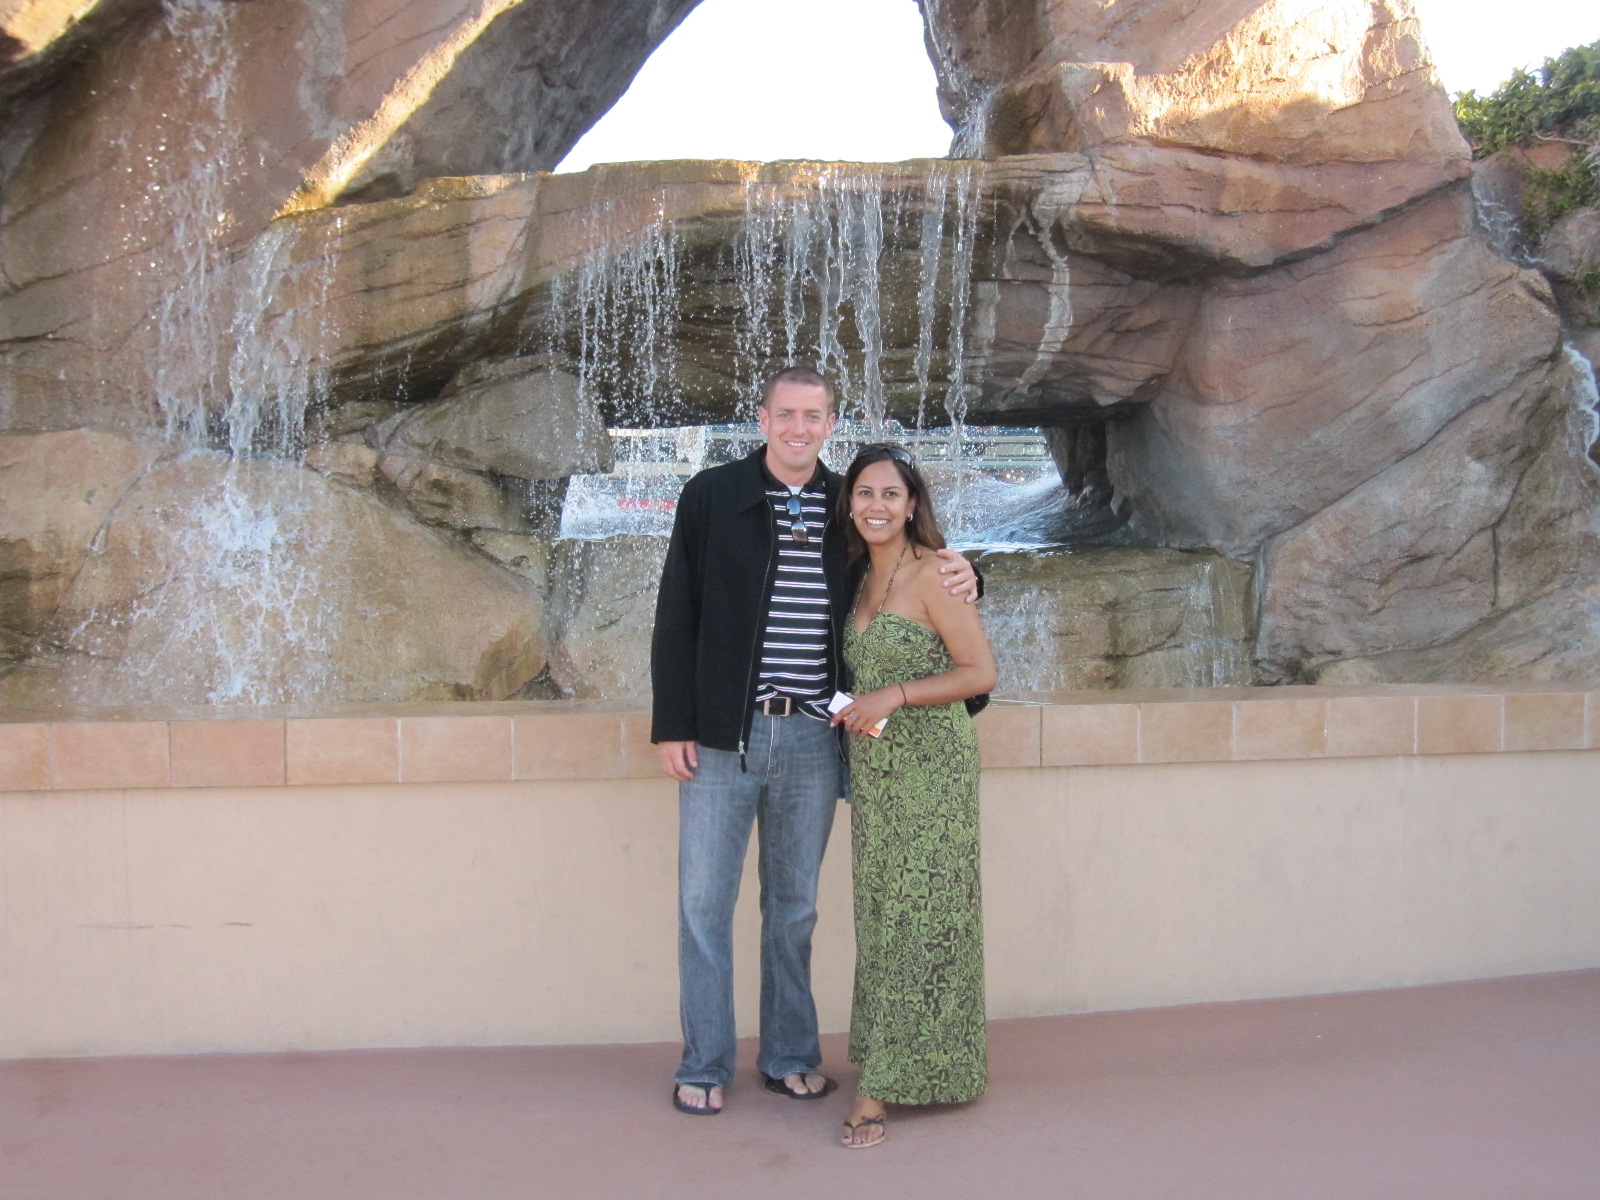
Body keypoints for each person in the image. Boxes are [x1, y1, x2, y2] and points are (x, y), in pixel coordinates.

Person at [651, 367, 980, 1116]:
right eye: (787, 414)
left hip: (811, 738)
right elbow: (678, 609)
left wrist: (972, 572)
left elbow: (907, 567)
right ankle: (703, 1064)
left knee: (793, 908)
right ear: (763, 417)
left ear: (831, 423)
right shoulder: (712, 496)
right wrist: (672, 723)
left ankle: (790, 1055)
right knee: (704, 906)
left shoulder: (845, 504)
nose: (800, 428)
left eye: (814, 416)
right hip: (721, 739)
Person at [830, 442, 997, 1149]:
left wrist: (896, 691)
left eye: (890, 494)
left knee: (919, 914)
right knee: (885, 912)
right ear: (850, 503)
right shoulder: (855, 579)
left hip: (934, 768)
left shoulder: (935, 575)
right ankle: (921, 1063)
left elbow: (979, 671)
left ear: (912, 505)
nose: (876, 505)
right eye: (864, 493)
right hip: (876, 772)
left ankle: (876, 1093)